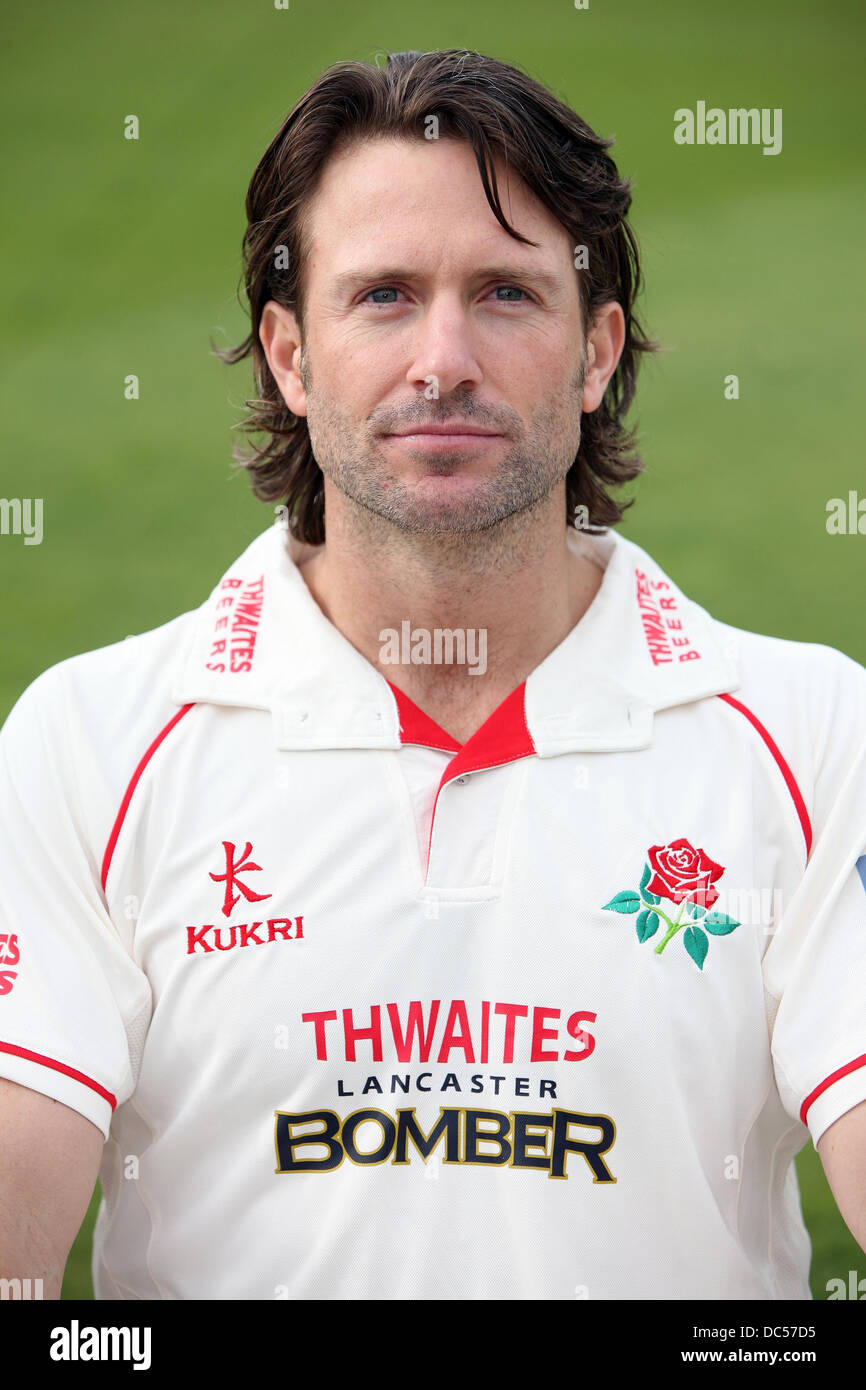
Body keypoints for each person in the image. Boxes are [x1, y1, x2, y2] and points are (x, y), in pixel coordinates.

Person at [1, 48, 864, 1302]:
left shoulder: (814, 731)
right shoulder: (85, 740)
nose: (443, 360)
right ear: (289, 357)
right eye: (385, 296)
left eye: (507, 295)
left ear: (594, 349)